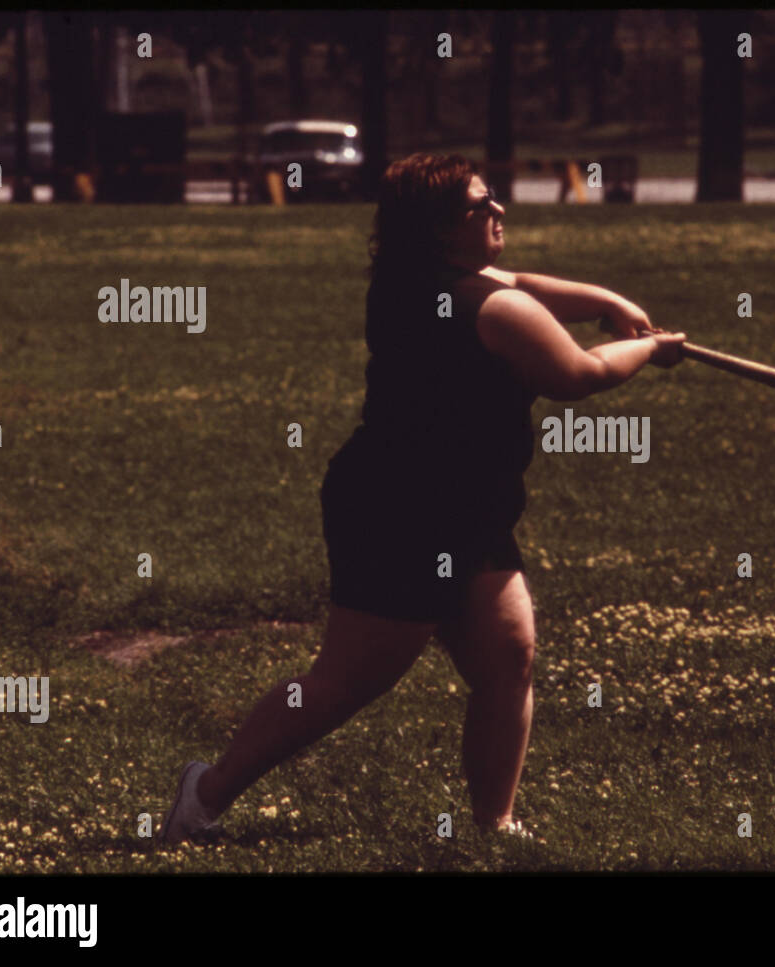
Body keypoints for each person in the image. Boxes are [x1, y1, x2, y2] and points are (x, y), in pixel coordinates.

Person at [161, 153, 685, 844]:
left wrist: (607, 303)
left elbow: (523, 282)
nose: (498, 210)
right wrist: (650, 351)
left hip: (467, 505)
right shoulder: (489, 309)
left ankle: (492, 826)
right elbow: (579, 373)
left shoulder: (416, 280)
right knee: (348, 680)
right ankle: (205, 791)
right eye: (479, 206)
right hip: (401, 511)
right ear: (439, 229)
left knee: (508, 655)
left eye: (493, 197)